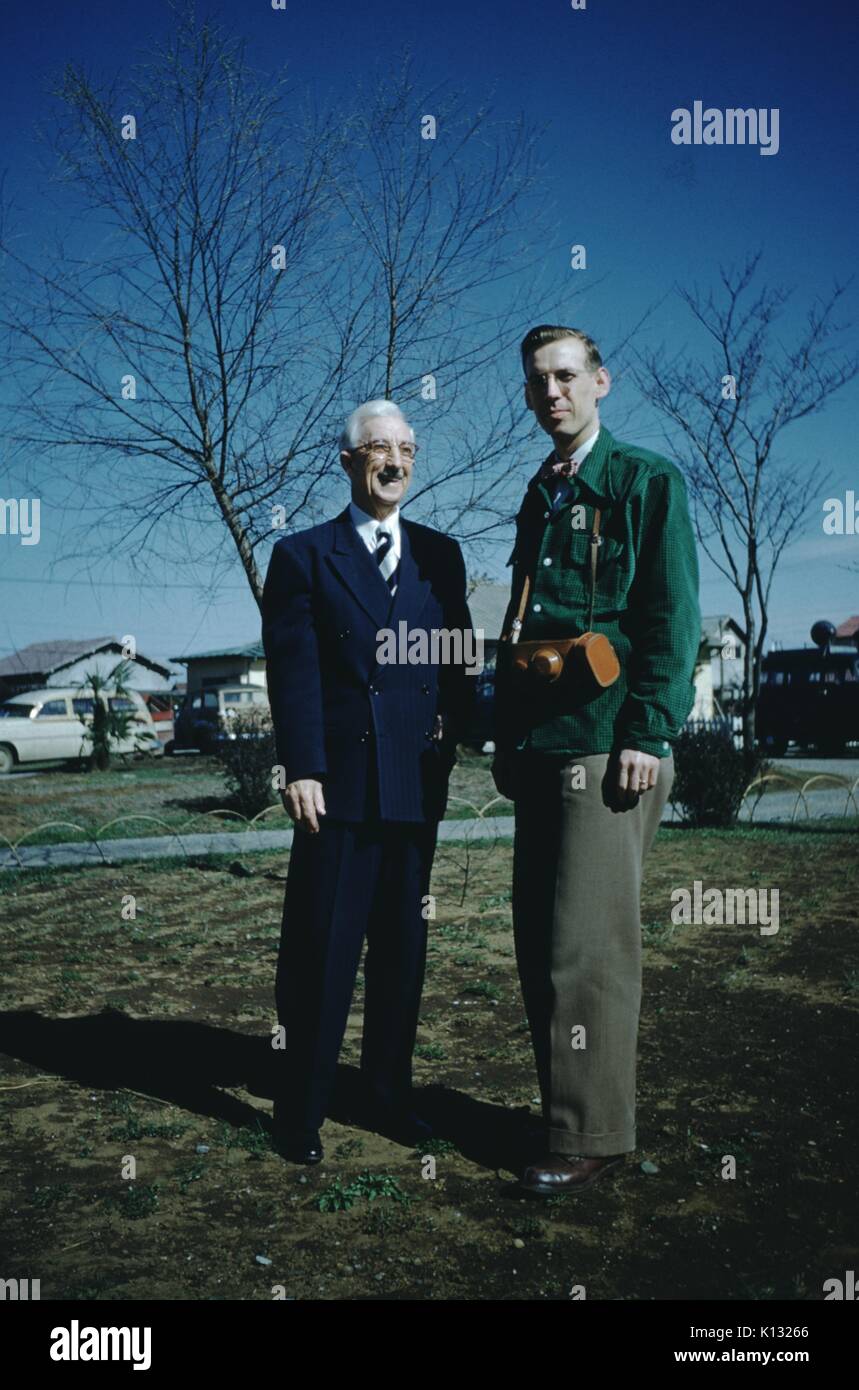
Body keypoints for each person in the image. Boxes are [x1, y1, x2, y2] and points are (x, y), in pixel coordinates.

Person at [493, 325, 700, 1195]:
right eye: (537, 380)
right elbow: (520, 625)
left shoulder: (643, 480)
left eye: (566, 376)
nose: (551, 393)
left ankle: (591, 1138)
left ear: (601, 382)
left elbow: (670, 616)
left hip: (609, 743)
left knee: (588, 946)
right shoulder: (540, 492)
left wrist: (648, 733)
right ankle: (570, 1117)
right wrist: (505, 733)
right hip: (544, 744)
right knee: (539, 943)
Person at [261, 400, 474, 1163]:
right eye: (378, 448)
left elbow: (457, 662)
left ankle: (387, 1096)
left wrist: (460, 730)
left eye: (407, 449)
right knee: (321, 950)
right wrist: (304, 767)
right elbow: (294, 677)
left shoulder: (439, 557)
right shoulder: (303, 557)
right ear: (348, 461)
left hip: (413, 786)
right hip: (337, 789)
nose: (395, 461)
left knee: (401, 950)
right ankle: (300, 1110)